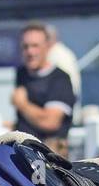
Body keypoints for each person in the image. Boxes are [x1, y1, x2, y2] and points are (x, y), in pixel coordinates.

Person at [11, 22, 75, 155]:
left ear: (47, 47)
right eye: (25, 46)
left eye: (35, 46)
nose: (30, 52)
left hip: (49, 153)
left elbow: (50, 122)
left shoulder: (60, 79)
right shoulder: (21, 74)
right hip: (20, 148)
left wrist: (22, 104)